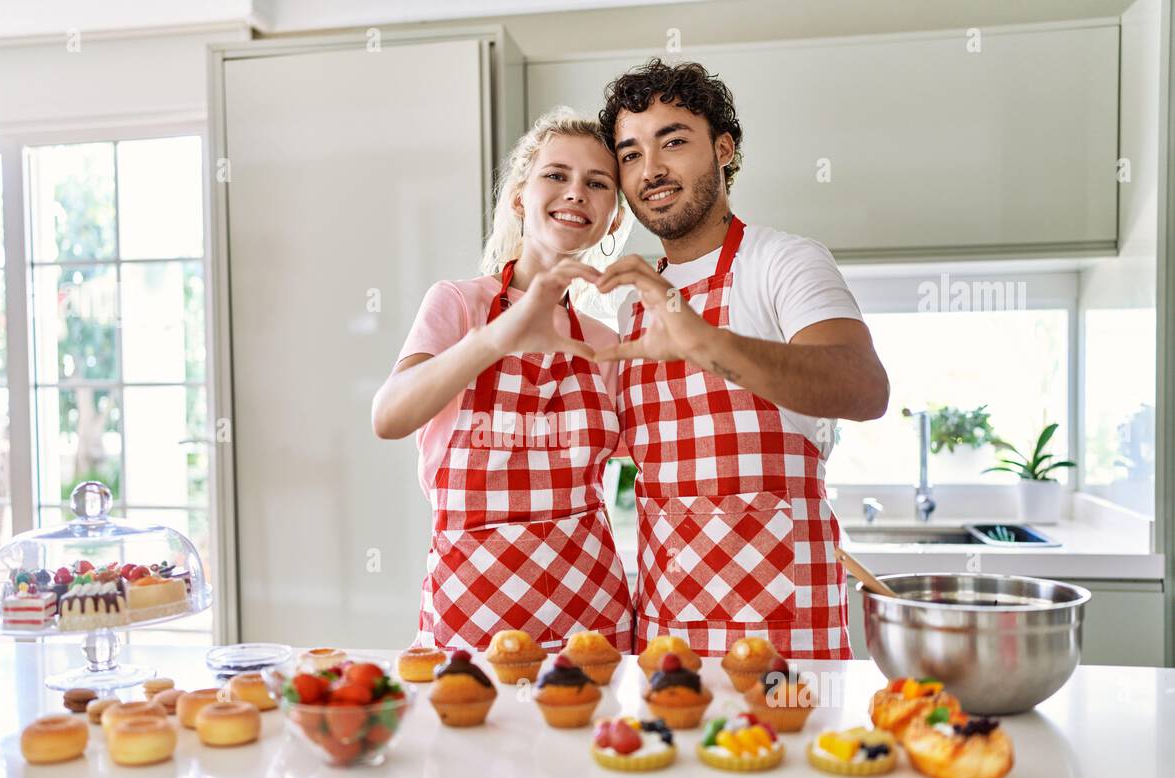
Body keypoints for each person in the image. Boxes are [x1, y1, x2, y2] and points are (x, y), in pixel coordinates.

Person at [591, 59, 890, 659]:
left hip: (785, 636)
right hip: (667, 633)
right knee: (666, 757)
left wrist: (707, 343)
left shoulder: (784, 262)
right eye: (629, 154)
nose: (651, 170)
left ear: (723, 148)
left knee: (790, 752)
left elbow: (863, 387)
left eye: (673, 141)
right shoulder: (631, 302)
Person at [373, 108, 635, 651]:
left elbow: (654, 460)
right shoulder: (458, 305)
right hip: (473, 613)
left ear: (613, 217)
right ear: (520, 197)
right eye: (556, 175)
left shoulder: (605, 340)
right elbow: (389, 416)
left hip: (590, 611)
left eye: (597, 183)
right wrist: (496, 337)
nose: (575, 192)